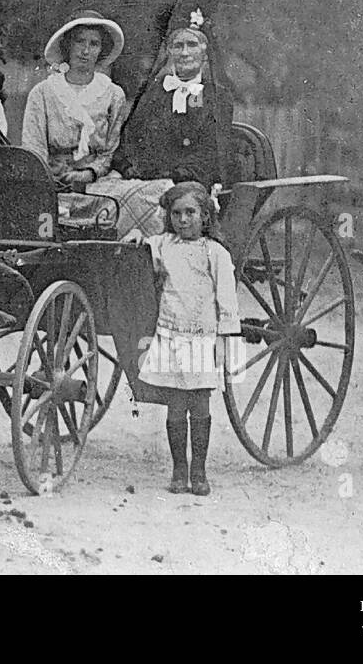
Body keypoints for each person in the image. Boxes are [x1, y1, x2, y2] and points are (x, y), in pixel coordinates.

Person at [21, 9, 174, 237]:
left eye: (94, 44)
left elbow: (110, 149)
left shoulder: (113, 94)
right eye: (79, 42)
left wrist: (91, 172)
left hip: (96, 183)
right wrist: (54, 179)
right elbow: (34, 149)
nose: (85, 51)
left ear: (101, 50)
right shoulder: (43, 93)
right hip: (53, 184)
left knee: (154, 193)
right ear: (67, 46)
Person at [134, 181, 240, 496]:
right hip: (171, 334)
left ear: (205, 216)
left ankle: (200, 470)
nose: (183, 220)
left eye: (190, 213)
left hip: (202, 338)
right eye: (177, 213)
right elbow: (142, 248)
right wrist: (136, 240)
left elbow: (227, 298)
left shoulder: (215, 253)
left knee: (202, 404)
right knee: (176, 405)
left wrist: (224, 337)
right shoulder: (164, 245)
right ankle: (179, 469)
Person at [115, 7, 234, 190]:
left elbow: (211, 153)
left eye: (192, 45)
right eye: (178, 46)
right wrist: (130, 168)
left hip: (194, 184)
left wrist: (175, 177)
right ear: (169, 52)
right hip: (148, 182)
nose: (185, 53)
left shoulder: (217, 96)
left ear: (205, 53)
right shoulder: (154, 91)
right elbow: (130, 138)